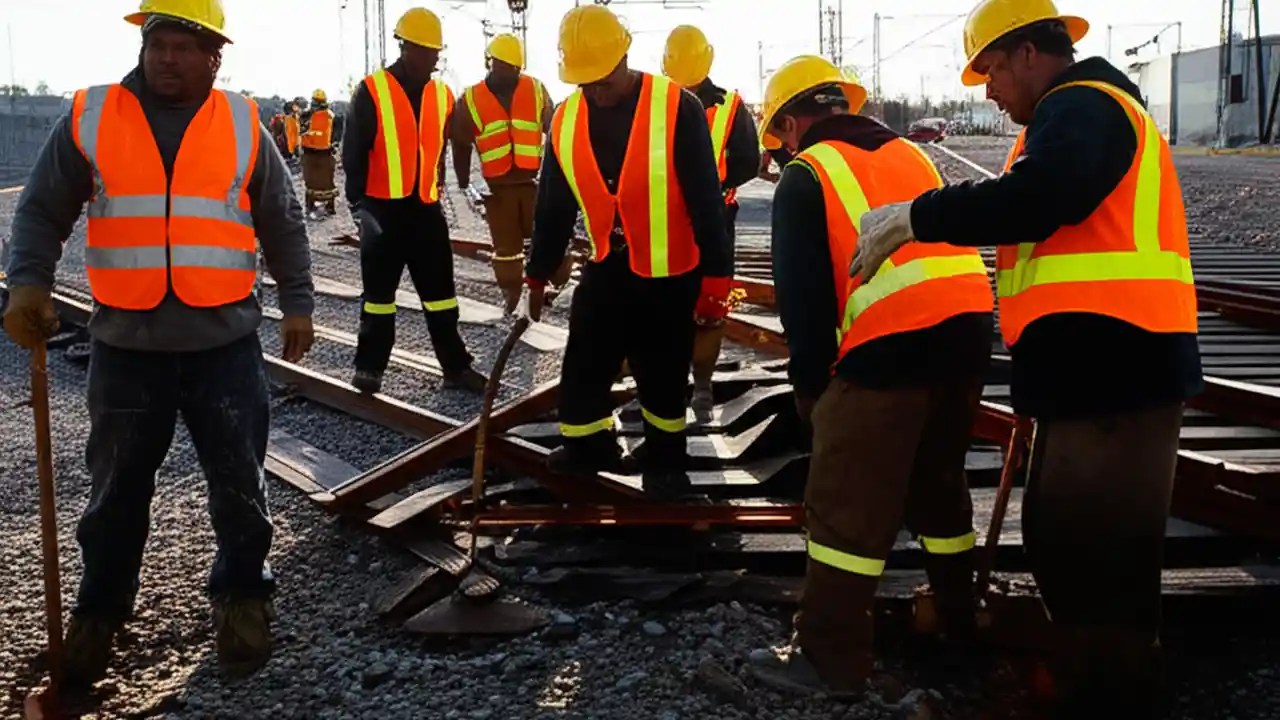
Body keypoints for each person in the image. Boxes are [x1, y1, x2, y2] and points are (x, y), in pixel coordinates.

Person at [850, 0, 1201, 716]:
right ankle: (1100, 686)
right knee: (1072, 543)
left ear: (1029, 54)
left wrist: (919, 217)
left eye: (992, 71)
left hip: (1116, 370)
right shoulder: (1079, 113)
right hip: (1099, 372)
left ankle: (1109, 698)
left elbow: (1038, 199)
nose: (988, 90)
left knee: (1092, 554)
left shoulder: (1083, 106)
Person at [2, 0, 315, 686]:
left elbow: (282, 218)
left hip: (224, 343)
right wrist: (27, 283)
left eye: (184, 47)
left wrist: (298, 303)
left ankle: (243, 597)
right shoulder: (91, 116)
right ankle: (99, 611)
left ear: (214, 57)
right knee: (115, 488)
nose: (168, 58)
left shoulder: (243, 122)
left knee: (240, 482)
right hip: (126, 344)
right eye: (158, 44)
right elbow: (42, 209)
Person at [745, 54, 994, 696]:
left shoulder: (808, 174)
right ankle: (959, 628)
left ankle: (829, 659)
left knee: (844, 507)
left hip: (890, 345)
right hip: (967, 334)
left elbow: (804, 303)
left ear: (791, 124)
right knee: (940, 485)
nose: (783, 151)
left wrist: (812, 393)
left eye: (780, 138)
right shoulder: (912, 153)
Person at [524, 4, 733, 496]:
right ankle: (587, 446)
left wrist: (716, 281)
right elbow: (552, 204)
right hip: (606, 265)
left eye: (604, 80)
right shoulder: (564, 118)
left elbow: (707, 201)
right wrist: (537, 272)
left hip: (670, 272)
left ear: (624, 57)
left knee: (663, 370)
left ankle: (665, 459)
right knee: (585, 359)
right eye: (586, 83)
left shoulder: (676, 107)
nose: (597, 91)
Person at [342, 7, 487, 394]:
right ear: (406, 48)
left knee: (441, 296)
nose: (434, 60)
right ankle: (369, 368)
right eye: (427, 52)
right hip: (382, 210)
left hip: (425, 209)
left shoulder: (442, 94)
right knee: (378, 298)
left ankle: (455, 366)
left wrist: (440, 187)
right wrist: (358, 208)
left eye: (436, 52)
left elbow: (442, 148)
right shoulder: (372, 90)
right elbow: (353, 153)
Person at [662, 24, 760, 423]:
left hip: (662, 219)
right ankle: (701, 388)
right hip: (717, 220)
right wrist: (715, 183)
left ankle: (663, 388)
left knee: (662, 303)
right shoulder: (732, 107)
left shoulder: (654, 104)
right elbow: (748, 163)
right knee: (711, 303)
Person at [450, 33, 570, 315]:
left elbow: (556, 134)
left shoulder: (535, 91)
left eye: (512, 67)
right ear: (490, 63)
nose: (508, 72)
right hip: (499, 190)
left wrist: (562, 176)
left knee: (547, 238)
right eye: (503, 66)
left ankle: (558, 286)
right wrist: (464, 181)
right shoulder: (471, 99)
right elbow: (460, 142)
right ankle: (513, 297)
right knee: (507, 251)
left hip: (532, 185)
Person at [300, 87, 339, 216]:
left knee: (322, 181)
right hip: (315, 152)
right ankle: (317, 206)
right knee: (316, 181)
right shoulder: (309, 116)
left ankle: (326, 206)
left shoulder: (327, 116)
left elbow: (335, 133)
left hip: (320, 153)